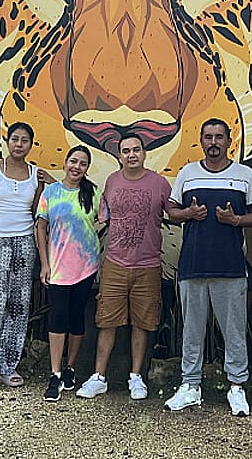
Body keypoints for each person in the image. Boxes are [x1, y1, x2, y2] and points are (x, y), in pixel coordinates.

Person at [163, 118, 252, 416]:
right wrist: (188, 213)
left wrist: (236, 221)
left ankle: (236, 387)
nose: (213, 141)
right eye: (208, 136)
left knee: (233, 331)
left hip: (230, 267)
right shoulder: (188, 173)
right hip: (192, 265)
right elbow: (170, 208)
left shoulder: (244, 175)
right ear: (201, 140)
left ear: (228, 140)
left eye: (219, 136)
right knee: (191, 330)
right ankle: (190, 386)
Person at [76, 133, 172, 401]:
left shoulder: (160, 183)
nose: (131, 155)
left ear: (144, 153)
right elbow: (99, 213)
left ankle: (136, 377)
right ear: (119, 156)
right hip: (115, 263)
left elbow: (173, 213)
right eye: (126, 151)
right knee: (107, 321)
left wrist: (191, 213)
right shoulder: (112, 181)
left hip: (149, 264)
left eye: (136, 150)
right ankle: (99, 377)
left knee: (142, 323)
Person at [0, 121, 47, 386]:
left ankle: (7, 366)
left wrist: (45, 184)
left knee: (18, 305)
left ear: (30, 144)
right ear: (7, 141)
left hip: (24, 241)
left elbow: (37, 210)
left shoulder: (35, 173)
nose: (19, 144)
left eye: (24, 140)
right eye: (15, 139)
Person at [35, 145, 102, 402]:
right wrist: (44, 263)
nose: (77, 167)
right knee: (58, 317)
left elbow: (105, 220)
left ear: (86, 168)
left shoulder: (93, 193)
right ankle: (54, 373)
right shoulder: (51, 193)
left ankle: (70, 368)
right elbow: (41, 228)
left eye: (83, 163)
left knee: (76, 317)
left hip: (85, 266)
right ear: (65, 162)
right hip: (58, 267)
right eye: (73, 161)